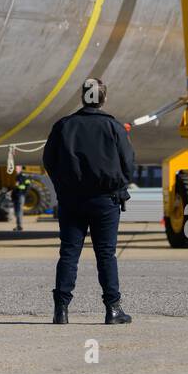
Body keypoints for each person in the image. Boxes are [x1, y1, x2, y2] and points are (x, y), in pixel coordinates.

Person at [41, 78, 136, 325]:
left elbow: (49, 161)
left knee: (69, 253)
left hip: (72, 200)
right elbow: (128, 164)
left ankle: (61, 310)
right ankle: (113, 309)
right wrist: (118, 187)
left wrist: (63, 187)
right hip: (106, 201)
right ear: (103, 98)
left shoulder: (63, 125)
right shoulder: (113, 127)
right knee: (106, 255)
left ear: (83, 97)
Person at [11, 166, 28, 231]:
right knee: (16, 212)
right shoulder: (14, 176)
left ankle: (19, 226)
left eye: (17, 168)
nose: (15, 169)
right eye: (15, 168)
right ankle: (18, 225)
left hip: (20, 196)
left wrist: (22, 192)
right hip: (15, 196)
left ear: (20, 169)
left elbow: (27, 186)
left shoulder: (23, 176)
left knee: (19, 211)